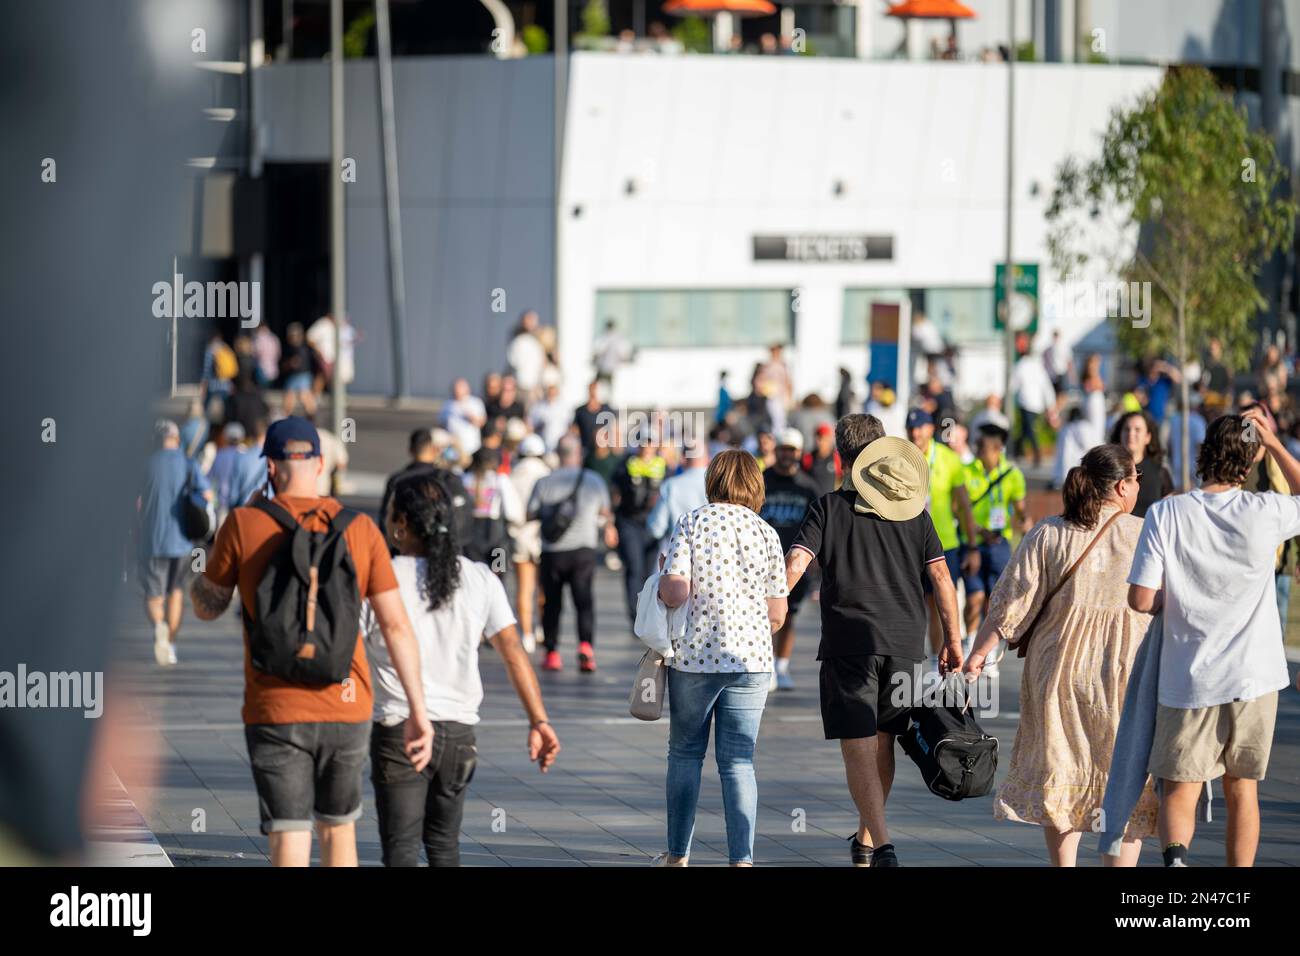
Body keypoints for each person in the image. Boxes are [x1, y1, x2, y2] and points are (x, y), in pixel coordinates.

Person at [189, 417, 433, 867]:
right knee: (339, 828)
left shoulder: (243, 524)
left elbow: (207, 606)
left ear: (271, 468)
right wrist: (419, 712)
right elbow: (397, 627)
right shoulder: (360, 529)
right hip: (347, 703)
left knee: (289, 835)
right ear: (320, 464)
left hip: (274, 706)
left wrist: (229, 533)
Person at [963, 444, 1157, 866]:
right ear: (1123, 486)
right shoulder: (1146, 533)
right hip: (1125, 675)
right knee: (1123, 778)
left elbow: (1012, 599)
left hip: (1057, 672)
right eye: (1137, 478)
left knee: (1062, 770)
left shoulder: (1050, 532)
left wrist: (979, 653)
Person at [785, 415, 963, 867]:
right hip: (906, 641)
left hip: (850, 642)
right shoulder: (914, 511)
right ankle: (867, 837)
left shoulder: (827, 507)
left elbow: (797, 562)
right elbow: (941, 577)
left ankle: (881, 844)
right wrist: (953, 640)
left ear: (842, 460)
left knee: (858, 742)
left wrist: (769, 603)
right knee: (884, 738)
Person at [1127, 408, 1296, 867]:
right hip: (1254, 676)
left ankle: (1177, 865)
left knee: (1181, 785)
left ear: (1204, 453)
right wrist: (1275, 443)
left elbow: (1141, 599)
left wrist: (1175, 599)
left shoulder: (1166, 512)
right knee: (1243, 788)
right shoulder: (1266, 512)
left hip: (1189, 675)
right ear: (1252, 459)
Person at [366, 472, 560, 866]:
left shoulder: (379, 577)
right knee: (444, 846)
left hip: (398, 730)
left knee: (400, 849)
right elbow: (513, 653)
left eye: (389, 514)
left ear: (401, 523)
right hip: (459, 734)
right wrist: (539, 721)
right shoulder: (479, 578)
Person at [655, 450, 788, 866]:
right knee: (738, 762)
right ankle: (742, 859)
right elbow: (777, 614)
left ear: (713, 481)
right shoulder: (767, 533)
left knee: (684, 755)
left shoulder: (693, 522)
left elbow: (675, 591)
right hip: (750, 661)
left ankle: (678, 855)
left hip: (696, 656)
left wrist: (663, 578)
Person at [527, 435, 616, 672]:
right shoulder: (593, 480)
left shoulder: (544, 482)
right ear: (579, 454)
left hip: (552, 552)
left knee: (552, 603)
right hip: (583, 551)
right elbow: (605, 511)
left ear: (558, 454)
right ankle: (586, 647)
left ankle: (552, 652)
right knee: (584, 601)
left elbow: (531, 513)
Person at [138, 420, 211, 667]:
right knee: (176, 591)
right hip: (183, 540)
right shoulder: (189, 464)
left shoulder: (145, 465)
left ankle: (159, 626)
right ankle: (170, 645)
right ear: (177, 439)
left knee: (153, 595)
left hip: (151, 540)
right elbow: (207, 494)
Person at [906, 409, 974, 668]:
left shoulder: (949, 459)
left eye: (920, 428)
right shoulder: (901, 459)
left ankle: (937, 659)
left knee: (938, 603)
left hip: (945, 544)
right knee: (912, 603)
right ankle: (911, 657)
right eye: (911, 428)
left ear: (931, 429)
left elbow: (963, 504)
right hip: (909, 545)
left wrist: (971, 545)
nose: (915, 433)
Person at [759, 429, 821, 691]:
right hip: (762, 560)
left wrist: (817, 560)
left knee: (789, 614)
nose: (787, 454)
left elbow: (818, 524)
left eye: (792, 450)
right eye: (783, 449)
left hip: (795, 562)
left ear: (799, 453)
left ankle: (781, 665)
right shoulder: (762, 480)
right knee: (760, 614)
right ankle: (764, 664)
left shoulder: (808, 487)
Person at [961, 425, 1030, 635]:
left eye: (984, 448)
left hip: (999, 543)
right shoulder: (966, 471)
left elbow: (1020, 508)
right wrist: (979, 530)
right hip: (972, 541)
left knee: (997, 599)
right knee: (975, 597)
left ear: (998, 449)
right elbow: (959, 510)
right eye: (978, 447)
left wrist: (1025, 520)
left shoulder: (1013, 474)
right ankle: (969, 641)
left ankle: (988, 650)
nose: (979, 452)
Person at [611, 440, 667, 626]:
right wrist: (611, 523)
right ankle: (635, 614)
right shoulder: (627, 464)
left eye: (651, 442)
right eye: (644, 442)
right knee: (634, 566)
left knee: (648, 571)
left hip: (652, 523)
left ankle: (647, 611)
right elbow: (615, 491)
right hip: (629, 521)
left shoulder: (663, 465)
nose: (647, 447)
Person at [509, 434, 551, 654]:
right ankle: (541, 627)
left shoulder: (512, 475)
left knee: (524, 588)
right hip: (542, 536)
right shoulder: (547, 474)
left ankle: (526, 635)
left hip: (520, 535)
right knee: (543, 587)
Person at [462, 446, 523, 575]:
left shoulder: (465, 479)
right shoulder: (500, 479)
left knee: (475, 573)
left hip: (471, 533)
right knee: (498, 572)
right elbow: (512, 510)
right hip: (496, 533)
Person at [647, 440, 710, 554]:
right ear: (707, 458)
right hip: (710, 554)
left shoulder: (671, 486)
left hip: (678, 555)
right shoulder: (718, 484)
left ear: (683, 458)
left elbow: (656, 529)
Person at [1109, 411, 1173, 519]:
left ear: (1148, 437)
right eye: (1126, 429)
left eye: (1137, 430)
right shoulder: (1108, 470)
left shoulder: (1160, 472)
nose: (1131, 434)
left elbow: (1169, 512)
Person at [1010, 346, 1057, 467]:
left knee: (1029, 430)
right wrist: (1050, 405)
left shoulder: (1020, 366)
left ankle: (1036, 454)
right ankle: (1017, 451)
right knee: (1027, 429)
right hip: (1037, 404)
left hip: (1025, 402)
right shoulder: (1037, 366)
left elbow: (1013, 385)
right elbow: (1046, 386)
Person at [440, 378, 487, 458]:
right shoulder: (448, 404)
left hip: (471, 447)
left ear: (467, 389)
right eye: (455, 389)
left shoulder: (475, 402)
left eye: (460, 388)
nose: (457, 391)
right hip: (453, 448)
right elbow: (441, 423)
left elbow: (482, 422)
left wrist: (471, 418)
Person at [507, 310, 547, 401]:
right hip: (521, 385)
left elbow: (542, 363)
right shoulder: (518, 340)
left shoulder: (539, 341)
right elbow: (513, 362)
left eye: (533, 320)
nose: (532, 323)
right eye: (529, 320)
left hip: (536, 386)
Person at [279, 322, 316, 417]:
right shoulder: (287, 348)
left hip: (303, 375)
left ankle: (311, 419)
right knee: (289, 400)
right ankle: (286, 419)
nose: (294, 338)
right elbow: (283, 365)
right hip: (292, 377)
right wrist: (289, 364)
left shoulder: (305, 347)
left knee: (305, 397)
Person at [529, 382, 571, 452]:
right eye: (550, 392)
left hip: (559, 446)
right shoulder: (538, 407)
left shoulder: (565, 408)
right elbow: (531, 425)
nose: (552, 394)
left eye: (553, 392)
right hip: (542, 445)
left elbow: (569, 425)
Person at [802, 421, 841, 495]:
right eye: (817, 438)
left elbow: (842, 480)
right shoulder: (807, 458)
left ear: (829, 440)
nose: (819, 442)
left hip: (830, 503)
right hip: (812, 502)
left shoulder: (837, 459)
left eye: (822, 438)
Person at [592, 318, 633, 383]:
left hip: (604, 367)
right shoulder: (618, 337)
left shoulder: (603, 337)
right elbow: (623, 353)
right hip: (612, 368)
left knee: (601, 385)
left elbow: (598, 351)